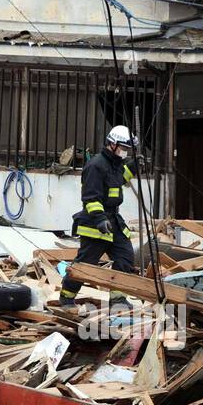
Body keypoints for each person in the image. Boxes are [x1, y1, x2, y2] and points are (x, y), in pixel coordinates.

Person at [56, 125, 138, 310]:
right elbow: (91, 197)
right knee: (86, 264)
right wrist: (100, 219)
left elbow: (119, 179)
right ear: (112, 143)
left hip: (114, 222)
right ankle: (66, 297)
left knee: (125, 257)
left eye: (127, 149)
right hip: (95, 224)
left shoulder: (115, 164)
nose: (125, 152)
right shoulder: (95, 165)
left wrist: (133, 167)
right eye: (124, 148)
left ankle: (118, 300)